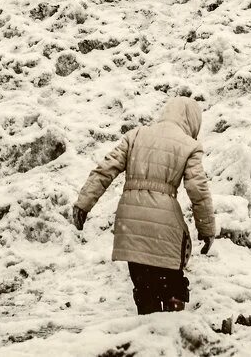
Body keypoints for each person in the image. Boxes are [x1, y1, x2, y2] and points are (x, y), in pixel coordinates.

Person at [71, 97, 216, 315]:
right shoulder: (190, 146)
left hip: (130, 224)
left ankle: (147, 334)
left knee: (144, 288)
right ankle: (173, 331)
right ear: (193, 121)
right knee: (172, 286)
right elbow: (198, 191)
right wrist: (206, 229)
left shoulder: (136, 135)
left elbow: (105, 170)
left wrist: (84, 203)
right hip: (165, 227)